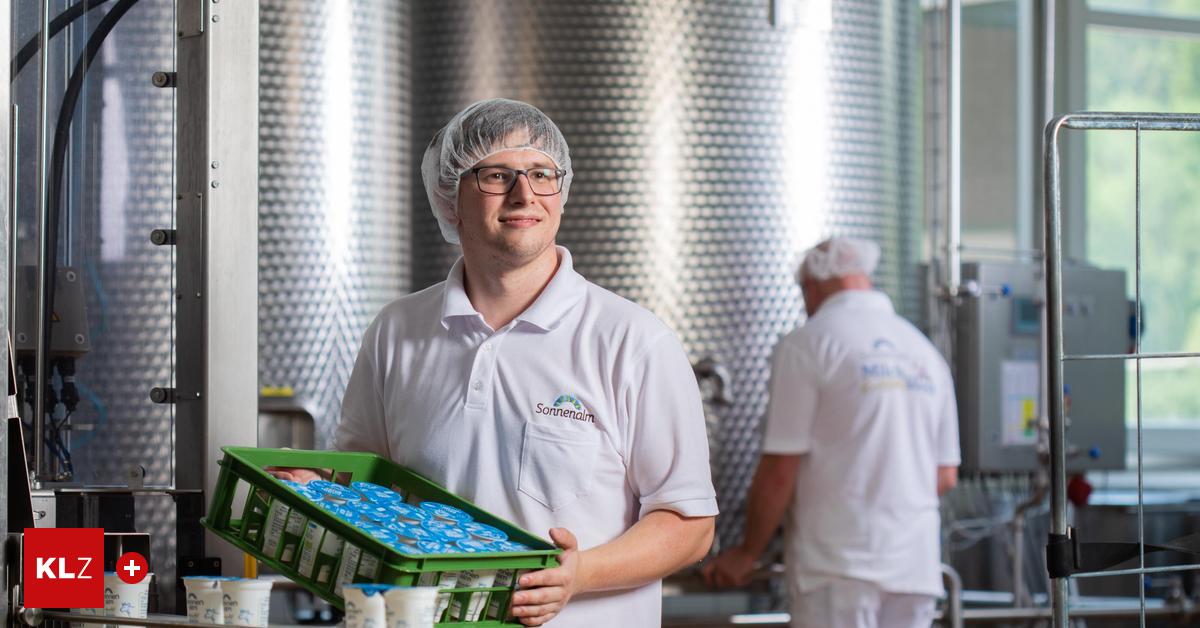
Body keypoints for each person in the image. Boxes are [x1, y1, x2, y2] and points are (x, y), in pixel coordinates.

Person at [292, 98, 717, 626]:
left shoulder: (632, 342)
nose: (525, 194)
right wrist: (315, 492)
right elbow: (366, 490)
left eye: (542, 174)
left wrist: (580, 573)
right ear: (451, 197)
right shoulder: (396, 331)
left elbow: (689, 522)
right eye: (497, 175)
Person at [701, 237, 960, 628]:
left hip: (839, 570)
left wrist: (747, 552)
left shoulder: (810, 343)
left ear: (814, 284)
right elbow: (944, 476)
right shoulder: (924, 351)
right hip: (915, 568)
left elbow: (779, 471)